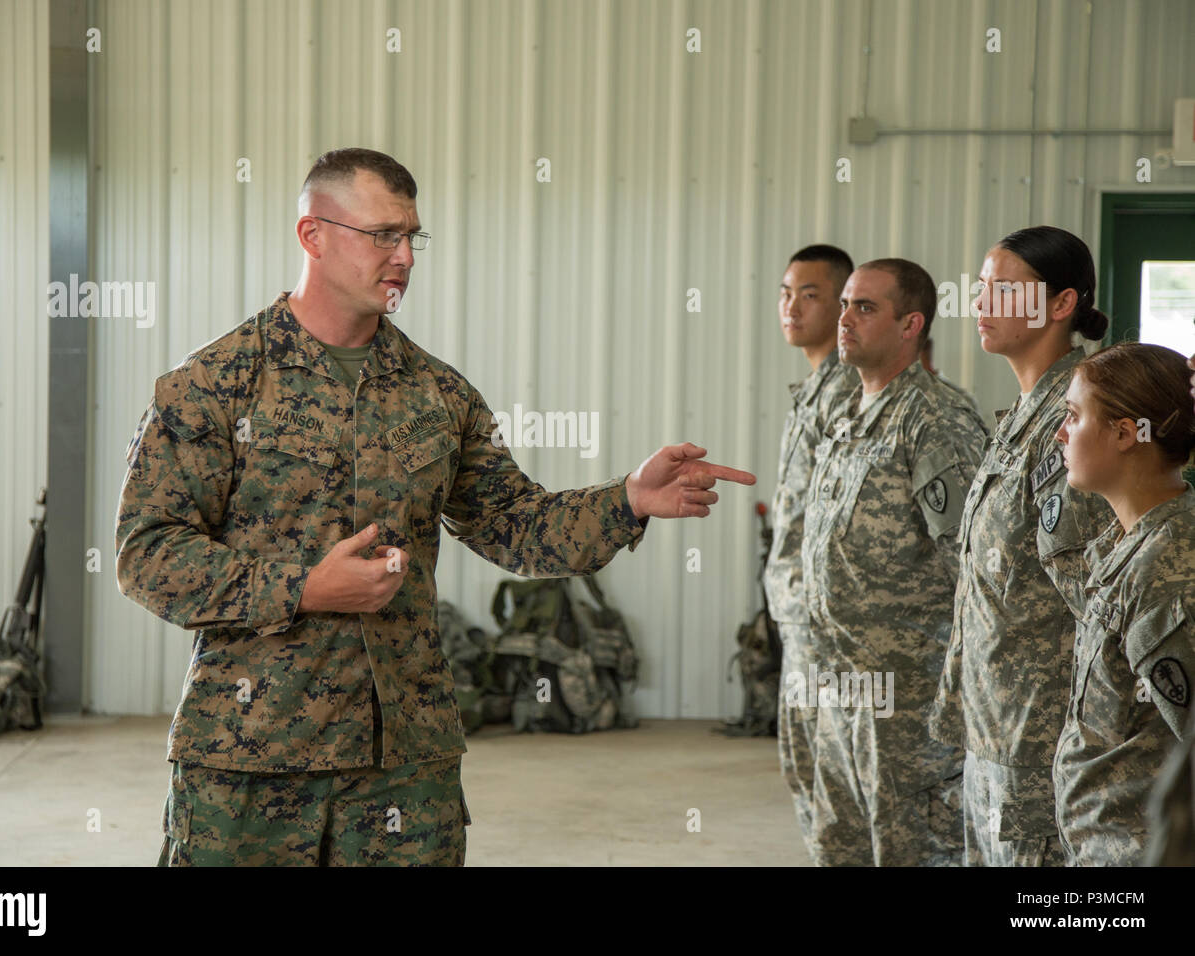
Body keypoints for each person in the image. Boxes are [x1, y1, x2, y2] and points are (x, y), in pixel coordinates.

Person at [115, 147, 756, 866]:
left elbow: (516, 526)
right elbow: (147, 554)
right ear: (313, 235)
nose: (404, 258)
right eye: (382, 235)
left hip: (404, 767)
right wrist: (302, 588)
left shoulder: (438, 395)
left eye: (411, 236)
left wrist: (628, 501)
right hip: (253, 762)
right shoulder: (212, 385)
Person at [930, 226, 1114, 866]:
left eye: (1003, 290)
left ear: (1062, 305)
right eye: (979, 290)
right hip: (994, 729)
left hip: (1041, 743)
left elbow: (1096, 600)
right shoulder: (1023, 415)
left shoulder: (1073, 421)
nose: (981, 303)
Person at [803, 258, 988, 866]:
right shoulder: (848, 414)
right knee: (840, 845)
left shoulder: (934, 420)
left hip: (906, 697)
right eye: (844, 305)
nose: (844, 319)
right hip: (838, 682)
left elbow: (971, 568)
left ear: (911, 324)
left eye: (864, 307)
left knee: (910, 853)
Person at [1051, 342, 1195, 865]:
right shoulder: (1125, 543)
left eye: (1072, 416)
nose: (1060, 434)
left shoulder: (1168, 564)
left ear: (1124, 432)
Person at [765, 244, 858, 855]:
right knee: (806, 771)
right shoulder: (815, 387)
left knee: (836, 783)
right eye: (785, 292)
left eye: (811, 294)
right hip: (799, 615)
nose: (792, 306)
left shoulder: (850, 388)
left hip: (831, 624)